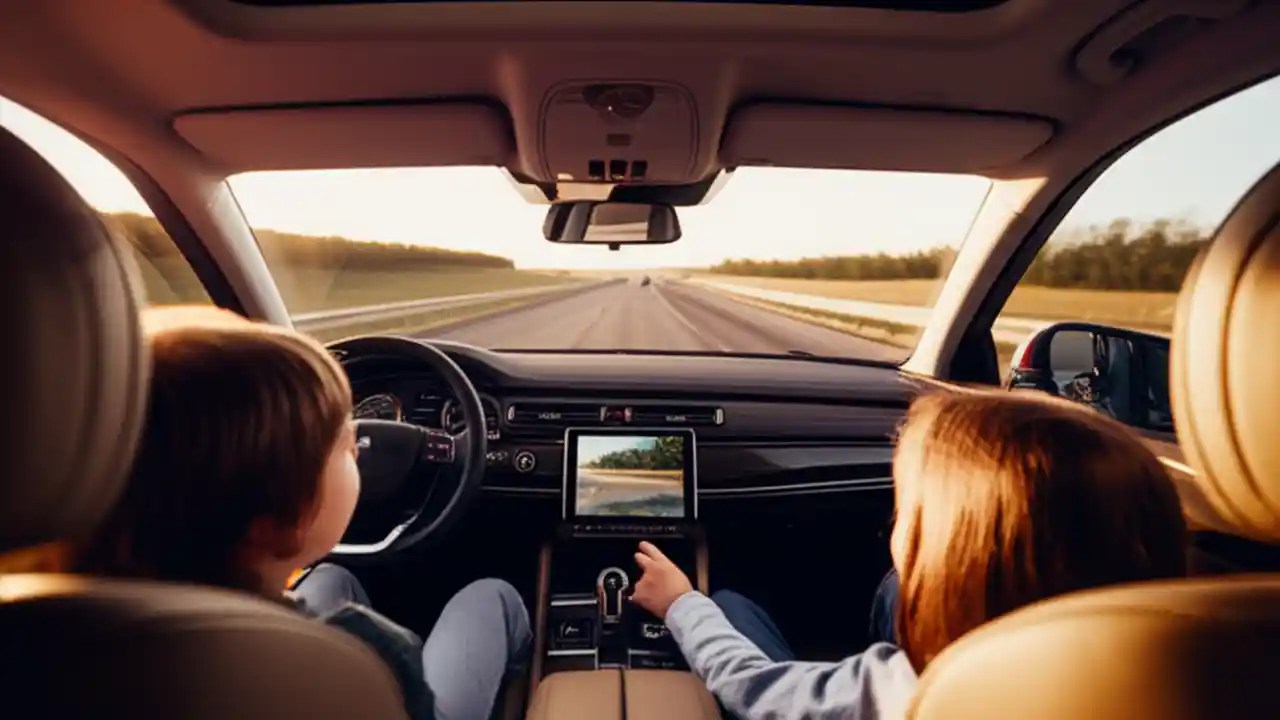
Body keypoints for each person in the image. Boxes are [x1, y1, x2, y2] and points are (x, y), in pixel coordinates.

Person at [79, 306, 531, 720]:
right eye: (341, 443)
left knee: (334, 577)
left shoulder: (55, 638)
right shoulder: (370, 656)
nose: (360, 443)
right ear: (281, 523)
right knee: (491, 597)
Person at [630, 390, 1187, 720]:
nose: (898, 531)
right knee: (897, 589)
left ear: (956, 561)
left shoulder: (911, 688)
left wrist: (683, 603)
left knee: (726, 601)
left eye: (908, 515)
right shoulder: (1213, 664)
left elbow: (751, 689)